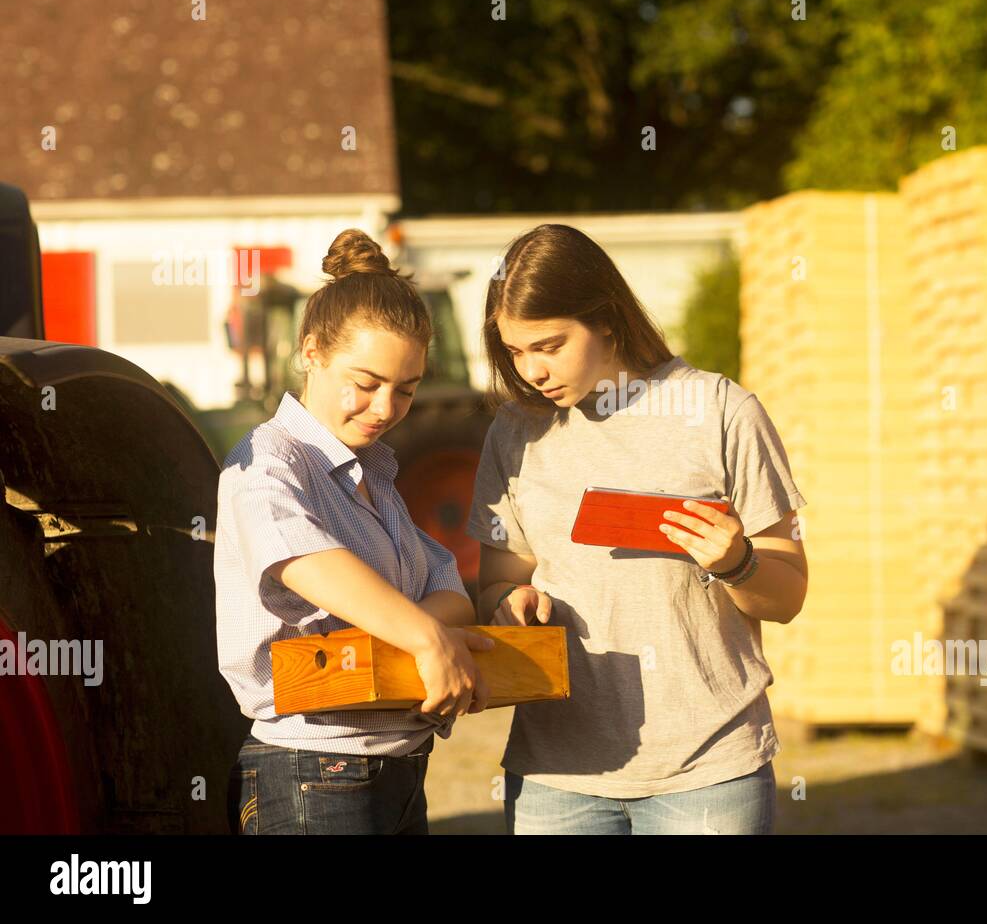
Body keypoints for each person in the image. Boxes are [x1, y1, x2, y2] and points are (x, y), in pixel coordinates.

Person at [466, 223, 809, 834]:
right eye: (516, 352)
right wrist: (508, 604)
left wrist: (738, 563)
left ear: (605, 318)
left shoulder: (720, 412)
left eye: (549, 345)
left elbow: (786, 596)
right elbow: (497, 587)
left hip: (709, 771)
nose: (532, 371)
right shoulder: (514, 433)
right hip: (556, 779)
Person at [215, 229, 494, 835]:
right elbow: (304, 562)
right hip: (311, 773)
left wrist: (428, 628)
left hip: (396, 771)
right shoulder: (268, 461)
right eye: (365, 384)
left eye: (406, 390)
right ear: (311, 351)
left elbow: (449, 583)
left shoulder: (378, 477)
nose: (385, 408)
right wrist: (424, 635)